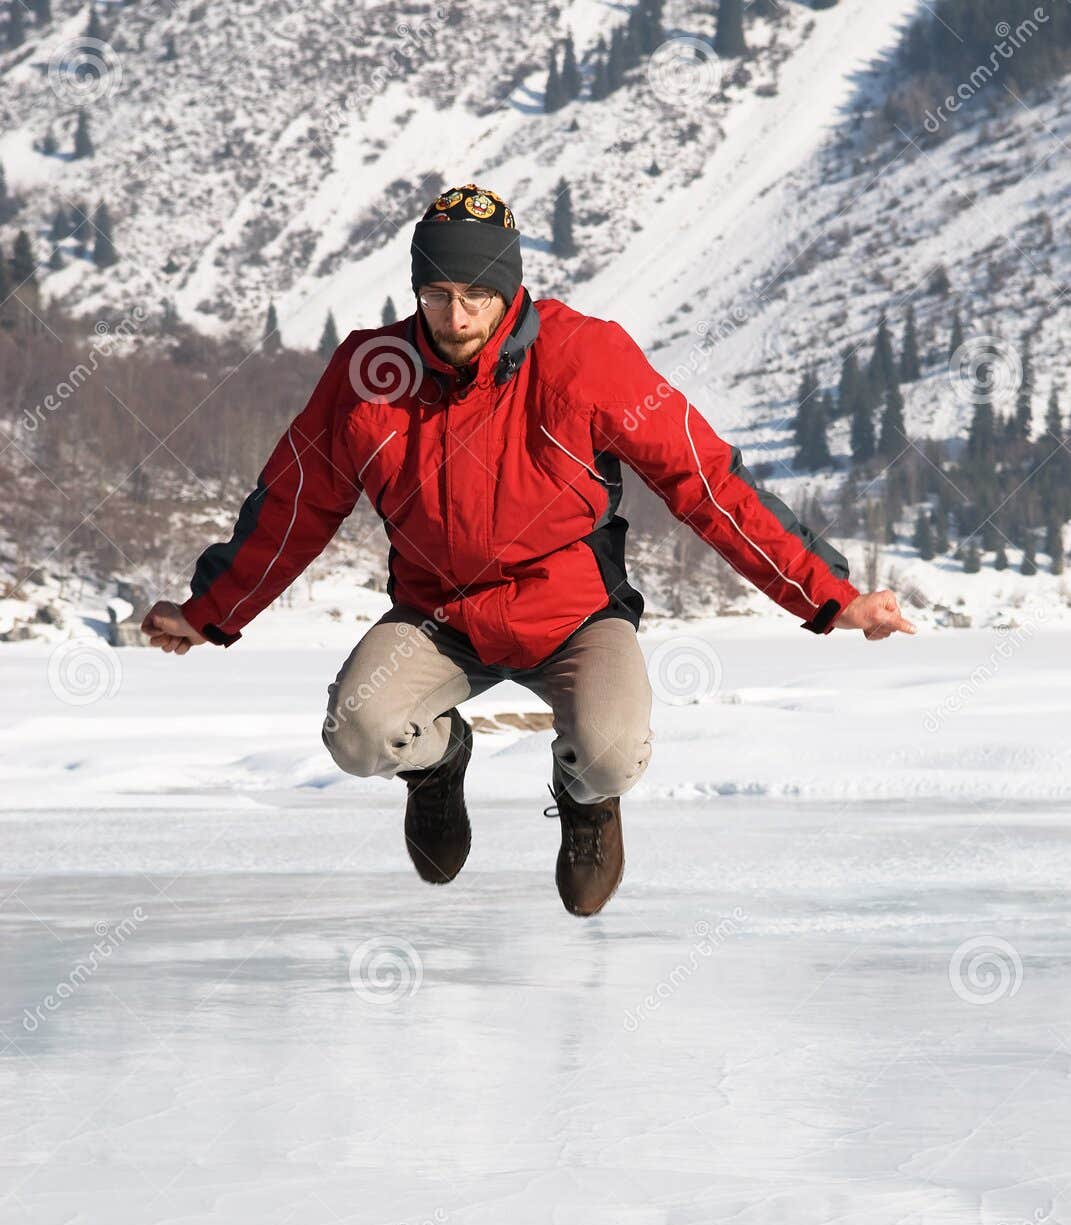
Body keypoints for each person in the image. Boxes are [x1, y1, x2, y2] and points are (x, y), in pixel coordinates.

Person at [142, 183, 915, 916]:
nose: (457, 313)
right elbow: (292, 505)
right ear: (416, 289)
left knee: (611, 751)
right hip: (439, 616)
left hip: (575, 616)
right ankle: (438, 767)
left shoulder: (586, 360)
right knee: (356, 731)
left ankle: (586, 803)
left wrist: (828, 594)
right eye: (437, 293)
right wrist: (209, 612)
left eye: (476, 293)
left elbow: (705, 481)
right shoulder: (368, 376)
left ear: (509, 289)